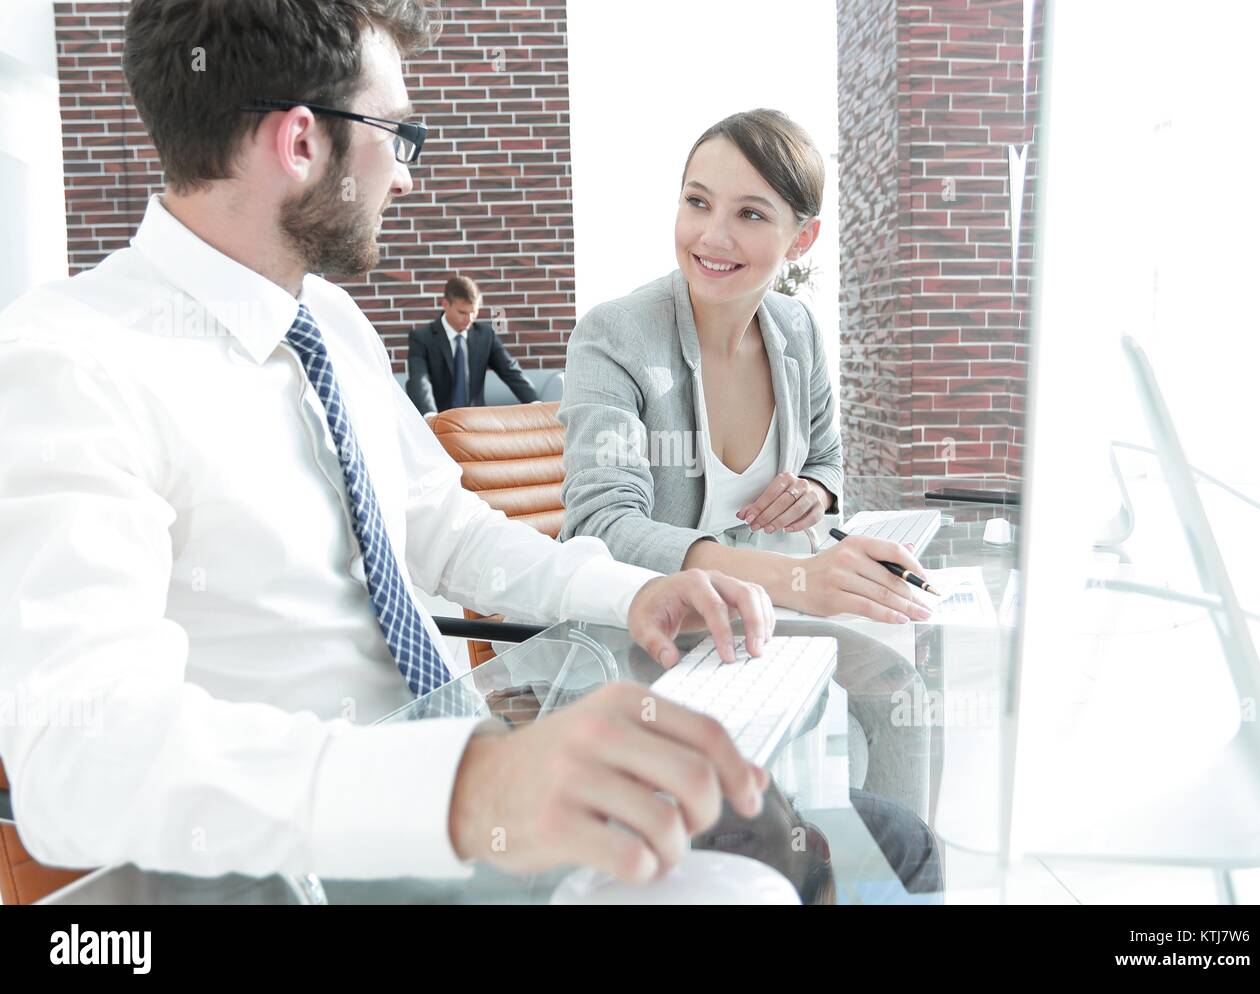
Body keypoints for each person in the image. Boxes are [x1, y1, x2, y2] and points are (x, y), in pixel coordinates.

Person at [0, 0, 776, 888]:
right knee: (751, 877)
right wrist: (468, 791)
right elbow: (79, 757)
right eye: (396, 135)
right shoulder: (67, 364)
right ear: (301, 143)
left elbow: (445, 526)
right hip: (318, 861)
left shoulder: (327, 320)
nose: (404, 178)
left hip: (460, 798)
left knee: (803, 832)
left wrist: (634, 591)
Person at [559, 109, 935, 624]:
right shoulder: (617, 335)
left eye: (750, 214)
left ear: (802, 239)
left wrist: (814, 493)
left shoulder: (798, 330)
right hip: (639, 638)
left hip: (767, 629)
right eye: (698, 202)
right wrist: (798, 581)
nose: (712, 236)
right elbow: (603, 525)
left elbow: (825, 459)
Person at [404, 275, 540, 414]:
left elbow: (510, 371)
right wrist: (430, 416)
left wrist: (537, 405)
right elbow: (419, 381)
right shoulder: (422, 338)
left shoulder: (486, 335)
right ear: (445, 304)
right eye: (462, 312)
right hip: (439, 421)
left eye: (474, 312)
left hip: (476, 422)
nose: (469, 319)